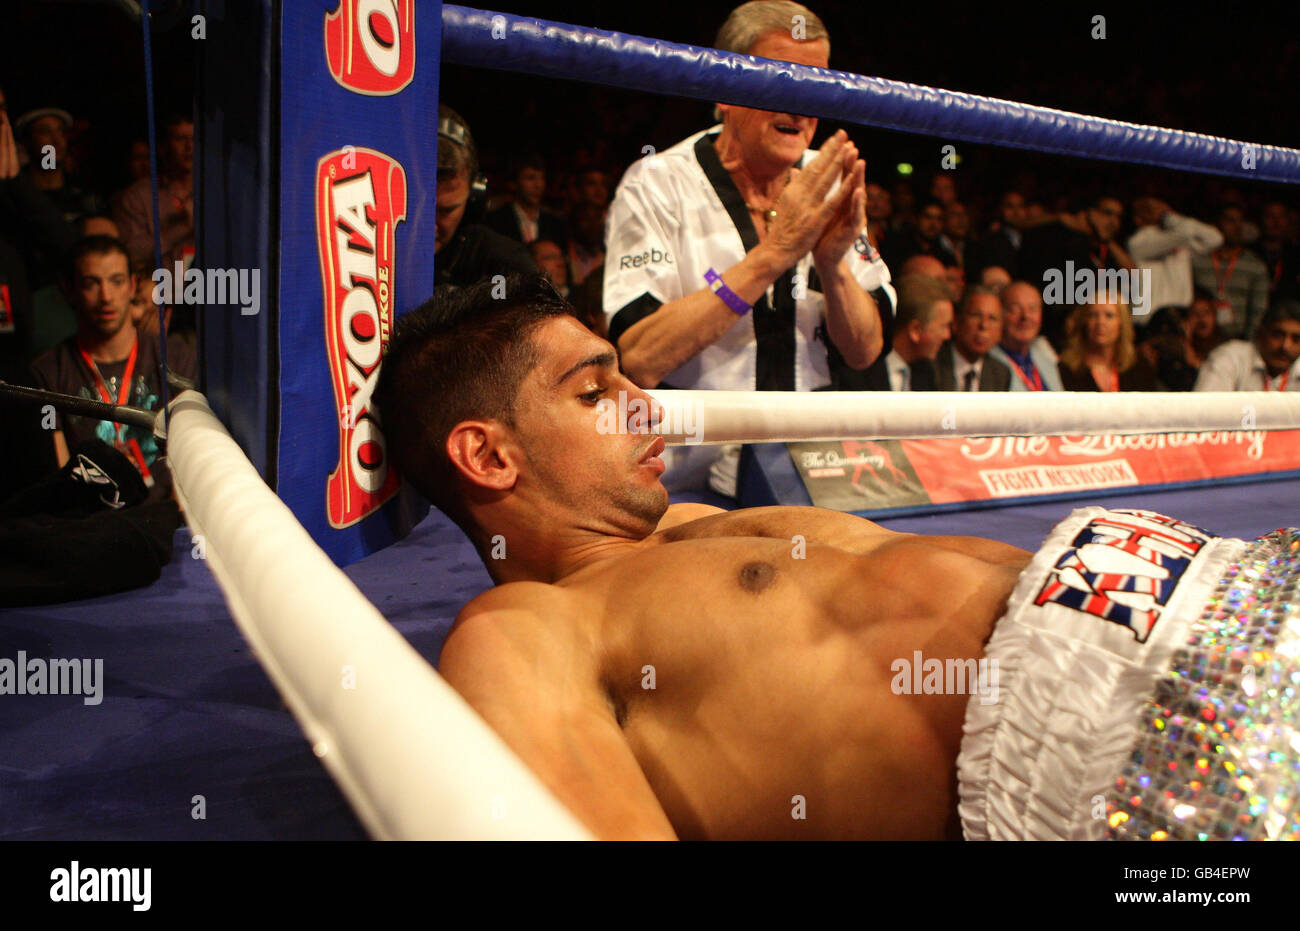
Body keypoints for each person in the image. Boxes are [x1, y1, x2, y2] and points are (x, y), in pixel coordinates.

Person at [373, 272, 1299, 840]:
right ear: (490, 455)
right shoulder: (529, 626)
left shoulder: (686, 519)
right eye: (593, 391)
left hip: (1229, 590)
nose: (645, 404)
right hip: (1156, 752)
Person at [603, 0, 891, 494]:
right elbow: (642, 356)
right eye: (780, 81)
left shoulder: (829, 177)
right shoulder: (656, 184)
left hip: (813, 474)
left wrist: (833, 266)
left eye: (815, 85)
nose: (798, 107)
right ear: (724, 90)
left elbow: (865, 350)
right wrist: (774, 254)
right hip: (684, 485)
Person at [26, 235, 197, 491]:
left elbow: (194, 454)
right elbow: (58, 471)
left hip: (165, 516)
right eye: (91, 283)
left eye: (116, 282)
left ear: (131, 286)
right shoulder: (48, 373)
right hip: (92, 520)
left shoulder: (177, 357)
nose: (106, 296)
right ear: (70, 291)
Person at [433, 105, 536, 289]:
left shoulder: (502, 264)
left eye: (446, 210)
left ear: (474, 198)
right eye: (414, 209)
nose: (429, 226)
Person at [1018, 192, 1135, 349]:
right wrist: (1060, 218)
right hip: (1055, 329)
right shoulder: (1060, 238)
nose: (1114, 222)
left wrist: (1107, 241)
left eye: (1118, 217)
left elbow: (1133, 274)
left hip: (1090, 332)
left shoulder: (1105, 249)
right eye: (1107, 214)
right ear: (1089, 212)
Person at [114, 114, 194, 271]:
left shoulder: (216, 193)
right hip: (157, 290)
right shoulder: (138, 196)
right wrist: (182, 228)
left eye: (194, 139)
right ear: (163, 148)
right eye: (180, 139)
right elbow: (130, 253)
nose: (189, 147)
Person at [1127, 196, 1222, 321]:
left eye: (1160, 208)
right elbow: (1183, 234)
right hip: (1147, 320)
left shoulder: (1179, 238)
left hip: (1179, 317)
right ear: (1137, 218)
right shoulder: (1137, 242)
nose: (1159, 212)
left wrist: (1171, 218)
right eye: (1150, 209)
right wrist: (1171, 218)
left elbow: (1215, 239)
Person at [1191, 204, 1270, 341]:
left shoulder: (1255, 266)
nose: (1237, 226)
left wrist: (1248, 343)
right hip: (1199, 338)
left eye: (1240, 221)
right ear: (1215, 225)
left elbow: (1258, 311)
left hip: (1237, 339)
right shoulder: (1197, 260)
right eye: (1230, 220)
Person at [862, 273, 950, 391]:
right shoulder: (860, 370)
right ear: (915, 330)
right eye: (943, 327)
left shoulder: (926, 374)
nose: (947, 335)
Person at [1057, 297, 1161, 391]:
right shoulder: (1066, 369)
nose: (1100, 322)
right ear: (1085, 322)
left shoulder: (1139, 367)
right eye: (1093, 315)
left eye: (1109, 316)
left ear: (1121, 324)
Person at [1193, 300, 1300, 392]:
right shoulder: (1230, 357)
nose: (1286, 346)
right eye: (1278, 335)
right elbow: (1206, 411)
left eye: (1296, 339)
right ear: (1260, 334)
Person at [987, 281, 1063, 392]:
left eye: (1032, 309)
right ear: (999, 313)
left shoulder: (1045, 356)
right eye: (1015, 309)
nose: (1025, 316)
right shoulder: (988, 361)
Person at [934, 286, 1010, 391]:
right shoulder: (932, 366)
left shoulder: (1000, 374)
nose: (984, 325)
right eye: (976, 315)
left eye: (992, 318)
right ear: (956, 322)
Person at [483, 153, 568, 247]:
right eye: (530, 178)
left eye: (542, 178)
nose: (538, 185)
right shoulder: (496, 221)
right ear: (513, 183)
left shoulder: (554, 224)